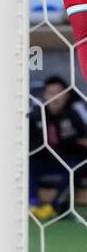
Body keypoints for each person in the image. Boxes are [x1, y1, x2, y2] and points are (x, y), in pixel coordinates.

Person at [29, 76, 87, 221]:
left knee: (75, 166)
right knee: (26, 163)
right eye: (50, 93)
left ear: (67, 94)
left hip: (71, 159)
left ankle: (55, 207)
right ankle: (32, 202)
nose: (55, 97)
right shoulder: (36, 115)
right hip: (50, 160)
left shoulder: (75, 113)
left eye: (59, 92)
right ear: (44, 95)